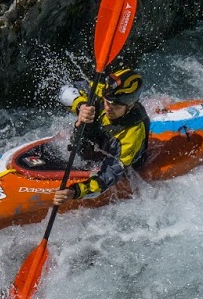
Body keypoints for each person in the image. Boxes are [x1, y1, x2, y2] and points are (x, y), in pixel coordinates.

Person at [52, 67, 149, 208]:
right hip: (99, 143)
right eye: (107, 102)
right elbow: (64, 89)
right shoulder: (103, 90)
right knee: (86, 123)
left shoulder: (132, 135)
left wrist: (74, 192)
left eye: (116, 105)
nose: (109, 108)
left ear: (130, 106)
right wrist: (80, 106)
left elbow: (106, 178)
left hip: (124, 164)